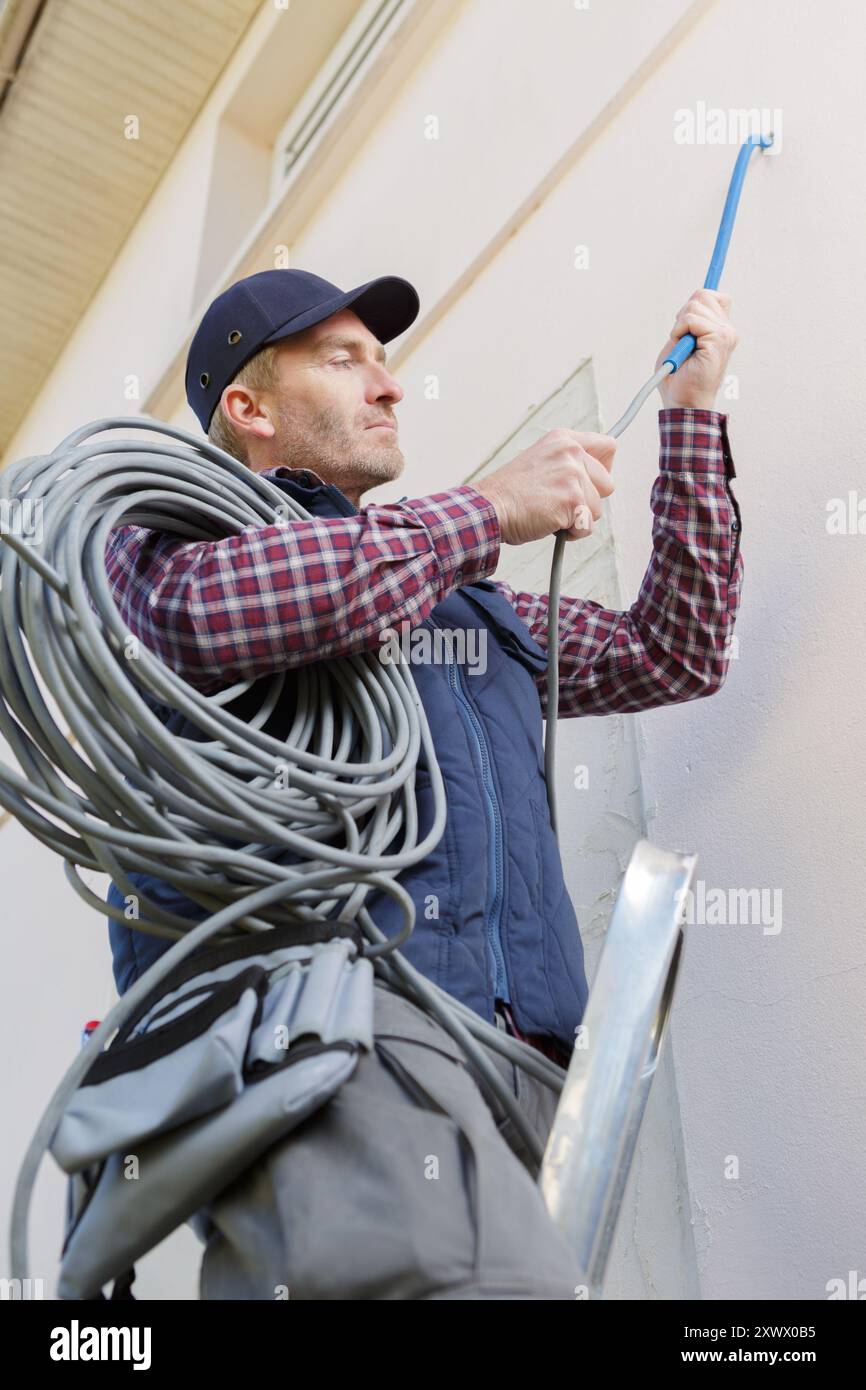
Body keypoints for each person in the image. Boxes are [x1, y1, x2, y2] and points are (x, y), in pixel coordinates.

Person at [102, 268, 742, 1298]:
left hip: (522, 1070)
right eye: (344, 359)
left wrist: (691, 416)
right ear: (248, 406)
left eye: (387, 360)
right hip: (337, 1040)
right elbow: (226, 615)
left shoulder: (461, 612)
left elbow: (674, 652)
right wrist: (487, 507)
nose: (390, 386)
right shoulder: (174, 548)